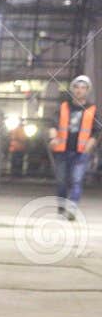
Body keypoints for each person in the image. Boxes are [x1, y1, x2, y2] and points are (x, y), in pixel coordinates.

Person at [48, 74, 95, 214]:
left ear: (87, 90)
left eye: (83, 88)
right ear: (72, 89)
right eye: (77, 87)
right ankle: (62, 206)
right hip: (62, 151)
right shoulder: (63, 107)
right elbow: (53, 125)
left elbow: (96, 131)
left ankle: (72, 208)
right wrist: (52, 139)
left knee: (76, 180)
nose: (79, 90)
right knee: (62, 182)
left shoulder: (92, 110)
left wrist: (90, 144)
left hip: (81, 153)